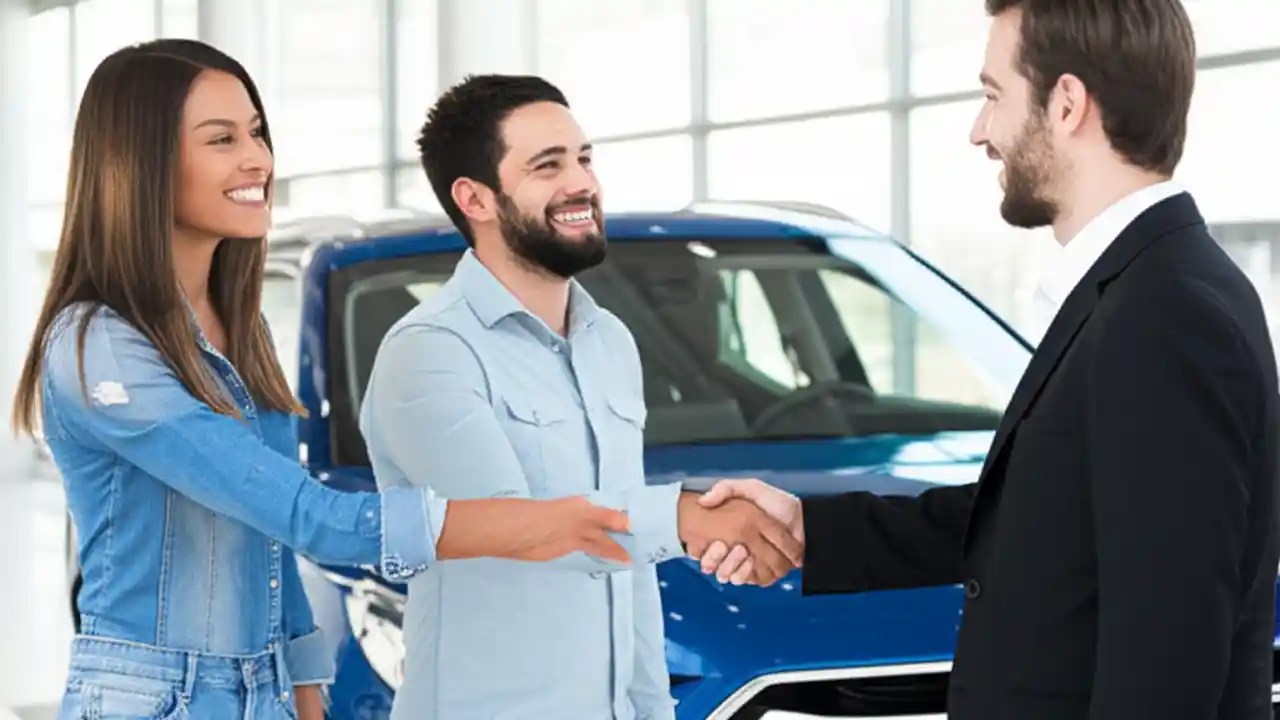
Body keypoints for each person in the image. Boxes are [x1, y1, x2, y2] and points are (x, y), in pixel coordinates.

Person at [11, 40, 653, 720]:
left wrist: (305, 674)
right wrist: (543, 522)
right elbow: (306, 516)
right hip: (151, 696)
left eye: (257, 132)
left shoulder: (239, 328)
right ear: (142, 165)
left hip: (262, 689)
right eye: (222, 139)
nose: (257, 158)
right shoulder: (100, 345)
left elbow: (263, 533)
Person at [697, 1, 1279, 718]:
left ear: (1066, 104)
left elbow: (1169, 653)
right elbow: (1036, 519)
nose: (981, 131)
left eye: (993, 95)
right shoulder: (1143, 290)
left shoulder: (1165, 314)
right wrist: (807, 528)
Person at [359, 73, 804, 719]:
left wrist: (651, 710)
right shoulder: (429, 353)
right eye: (548, 166)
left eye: (584, 158)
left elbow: (631, 577)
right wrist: (687, 517)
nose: (581, 184)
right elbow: (518, 532)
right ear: (475, 198)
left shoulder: (609, 342)